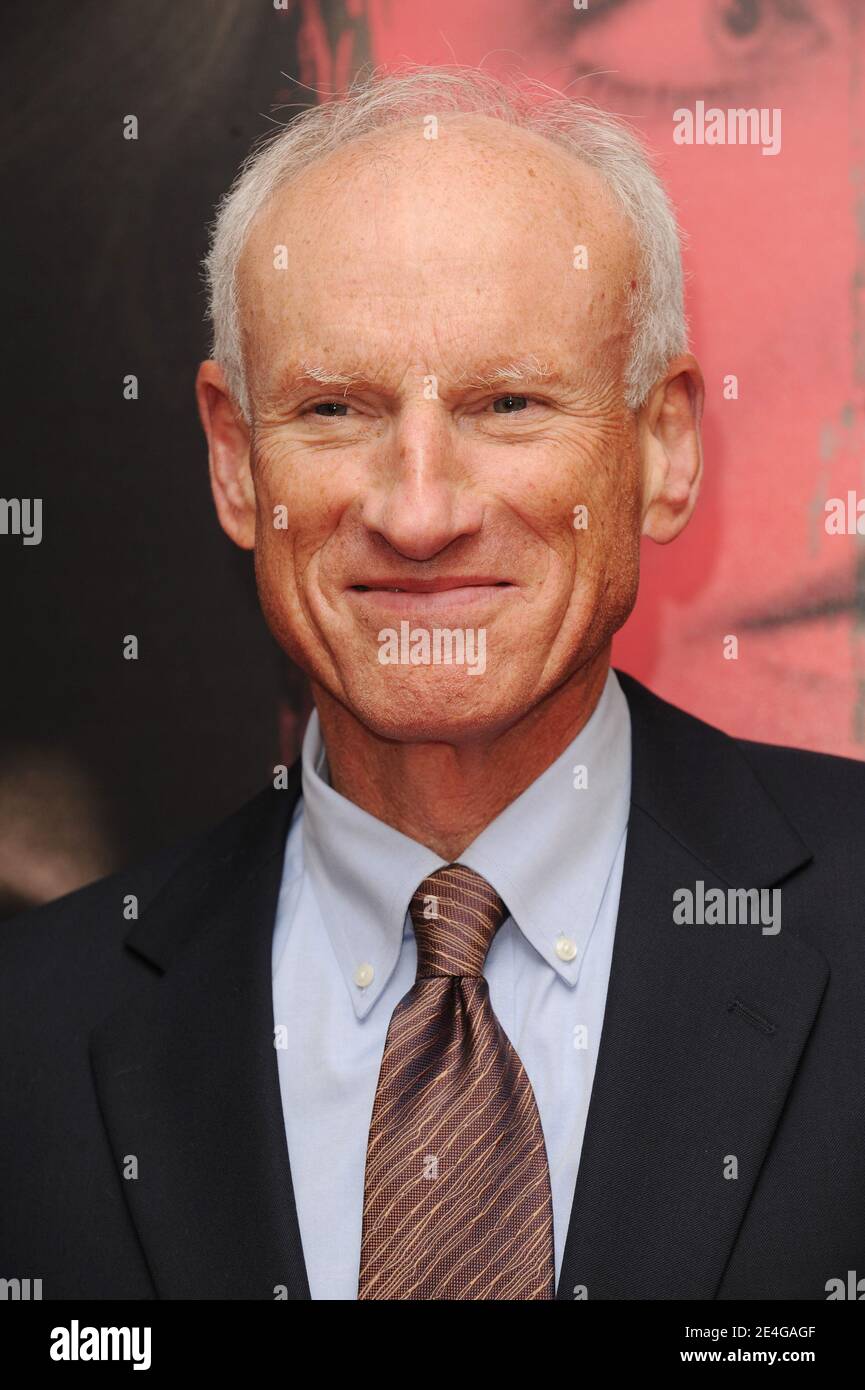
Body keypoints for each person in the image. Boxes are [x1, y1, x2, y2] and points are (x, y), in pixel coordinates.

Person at [1, 66, 863, 1301]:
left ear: (664, 447)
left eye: (508, 403)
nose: (417, 512)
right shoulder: (30, 1036)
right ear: (236, 463)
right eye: (335, 408)